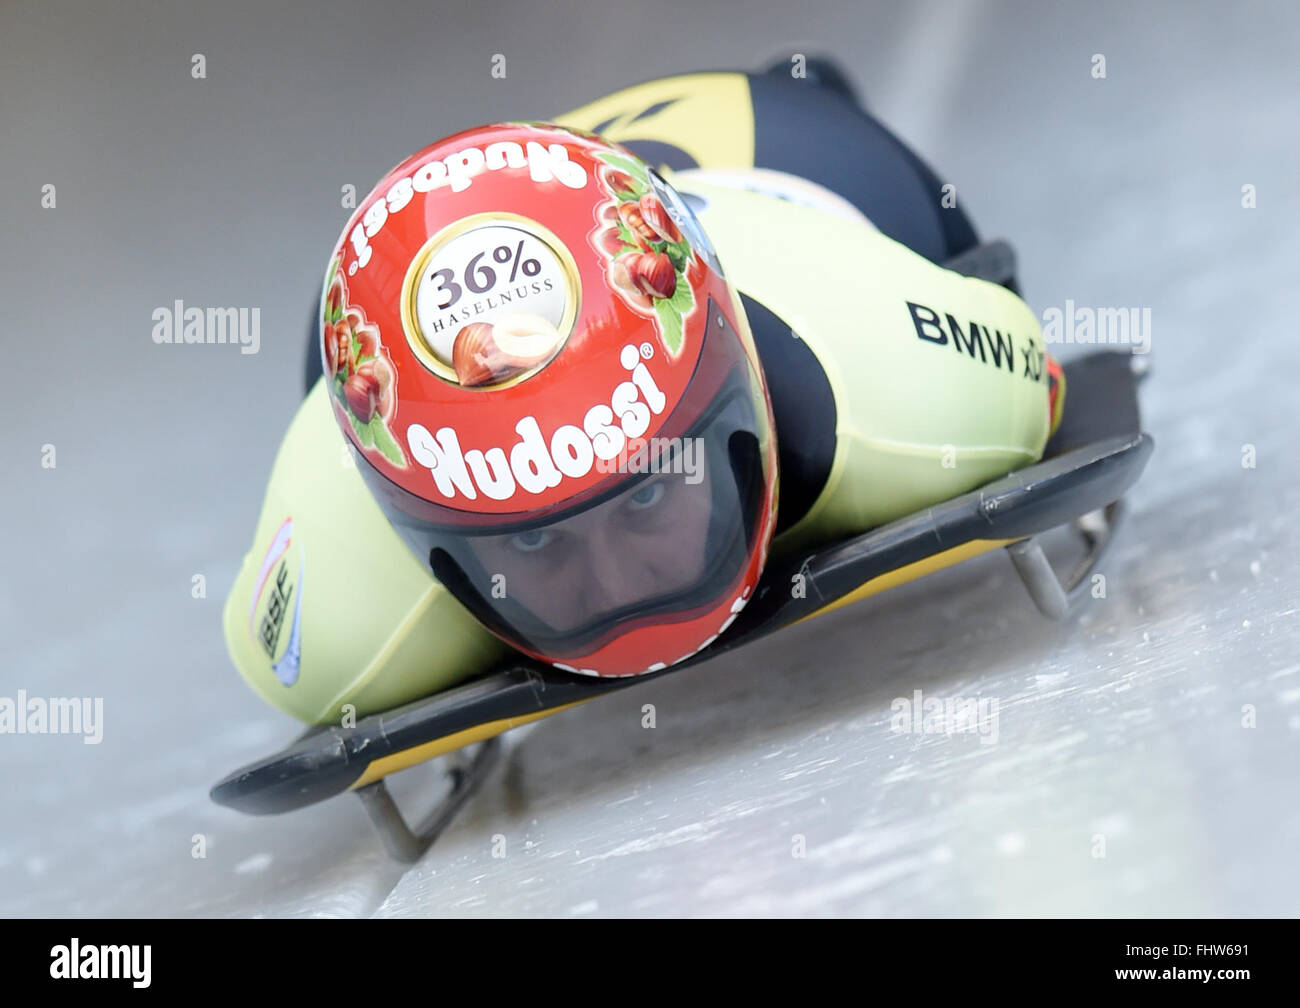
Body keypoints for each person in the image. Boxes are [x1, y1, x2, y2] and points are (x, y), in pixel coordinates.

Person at [225, 65, 1063, 721]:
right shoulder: (337, 630)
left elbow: (1029, 364)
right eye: (530, 544)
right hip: (732, 140)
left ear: (746, 404)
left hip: (779, 147)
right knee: (327, 350)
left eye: (650, 490)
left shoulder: (915, 385)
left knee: (906, 206)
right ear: (405, 525)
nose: (617, 584)